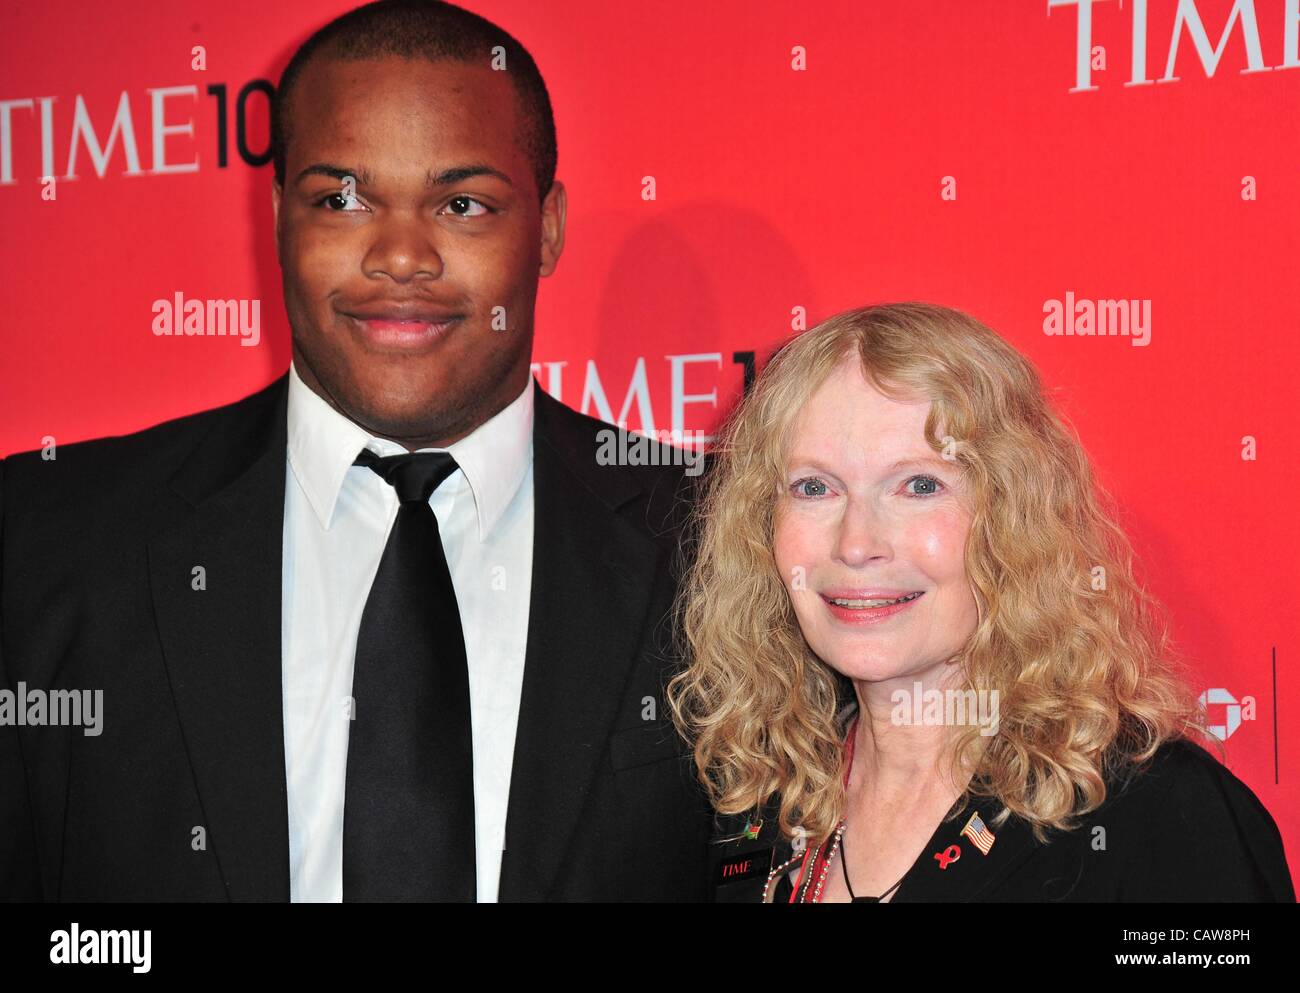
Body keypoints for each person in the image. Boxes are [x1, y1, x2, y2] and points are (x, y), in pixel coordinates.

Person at [0, 0, 712, 902]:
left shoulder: (711, 542)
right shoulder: (50, 540)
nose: (400, 256)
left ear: (550, 228)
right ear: (278, 218)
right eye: (342, 198)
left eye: (462, 203)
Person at [668, 302, 1295, 903]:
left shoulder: (1159, 812)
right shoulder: (756, 807)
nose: (856, 544)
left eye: (919, 486)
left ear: (1011, 519)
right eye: (814, 487)